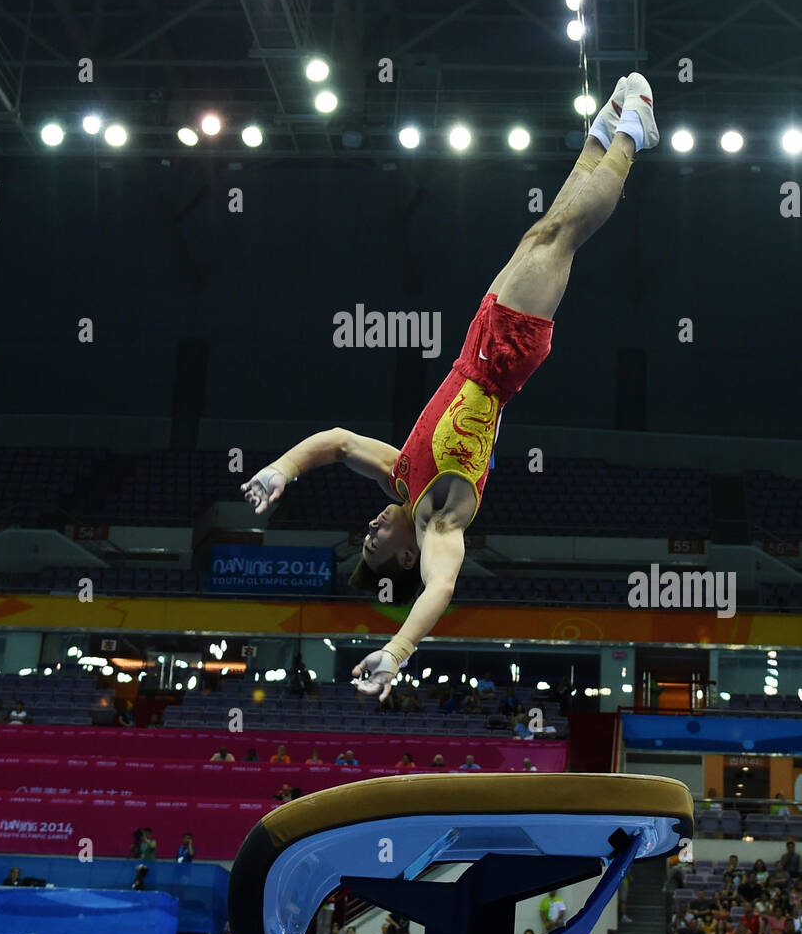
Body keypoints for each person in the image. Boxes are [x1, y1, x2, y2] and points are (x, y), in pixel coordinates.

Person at [240, 75, 659, 700]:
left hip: (480, 340)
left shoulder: (402, 477)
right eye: (377, 545)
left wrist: (280, 470)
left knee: (543, 232)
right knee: (563, 239)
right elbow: (441, 589)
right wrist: (396, 650)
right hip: (500, 362)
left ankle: (604, 132)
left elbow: (332, 442)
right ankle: (632, 136)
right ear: (406, 556)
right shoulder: (440, 524)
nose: (372, 531)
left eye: (368, 537)